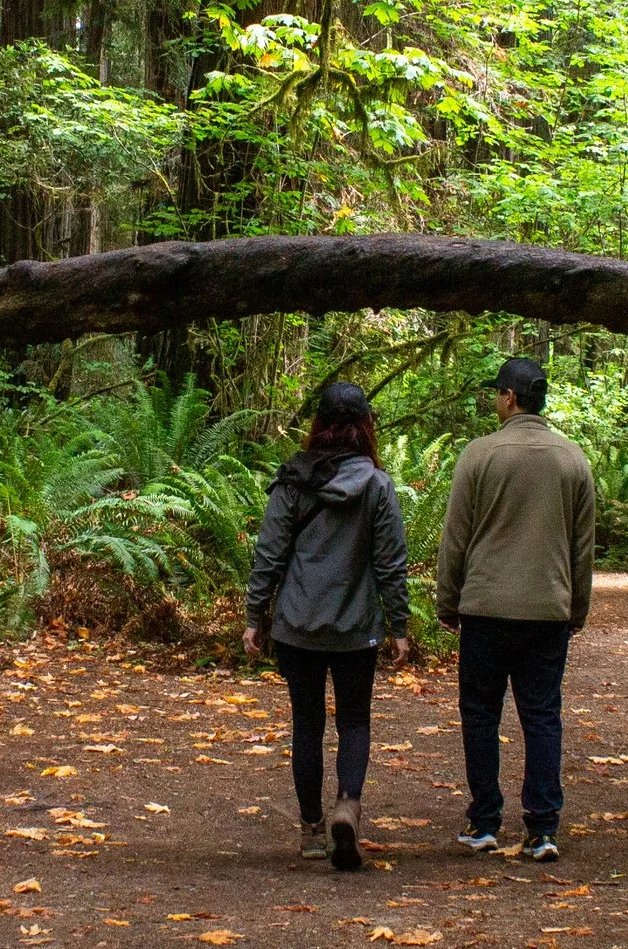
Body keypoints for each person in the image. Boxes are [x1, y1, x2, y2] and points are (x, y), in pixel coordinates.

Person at [245, 381, 412, 871]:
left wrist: (255, 616)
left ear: (318, 424)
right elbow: (390, 563)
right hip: (356, 626)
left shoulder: (293, 480)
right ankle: (347, 806)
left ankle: (312, 830)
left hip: (297, 624)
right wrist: (399, 625)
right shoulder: (378, 486)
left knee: (307, 723)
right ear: (366, 426)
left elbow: (269, 553)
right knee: (354, 720)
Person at [435, 357, 596, 863]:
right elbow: (582, 547)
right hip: (547, 609)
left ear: (509, 397)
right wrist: (576, 609)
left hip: (485, 607)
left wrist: (447, 601)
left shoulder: (479, 455)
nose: (494, 401)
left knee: (480, 713)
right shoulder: (572, 459)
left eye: (496, 394)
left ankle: (484, 821)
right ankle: (542, 828)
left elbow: (455, 537)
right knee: (542, 715)